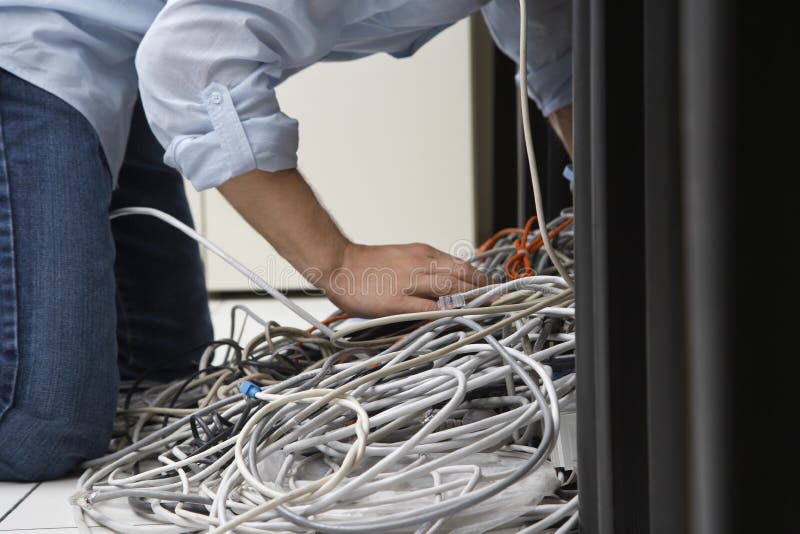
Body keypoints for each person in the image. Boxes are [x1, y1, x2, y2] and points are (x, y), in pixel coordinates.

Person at [0, 0, 572, 481]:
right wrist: (339, 262)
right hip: (36, 34)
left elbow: (564, 55)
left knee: (160, 381)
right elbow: (190, 61)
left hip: (127, 52)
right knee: (42, 428)